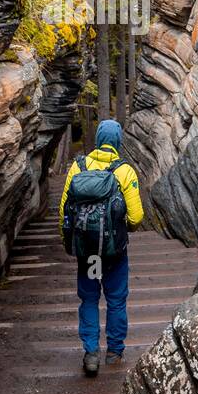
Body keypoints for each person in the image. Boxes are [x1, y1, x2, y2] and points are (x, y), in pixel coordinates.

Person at [59, 119, 144, 377]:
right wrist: (124, 227)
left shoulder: (79, 166)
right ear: (118, 141)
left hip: (88, 252)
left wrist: (71, 241)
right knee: (116, 300)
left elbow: (64, 210)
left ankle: (91, 352)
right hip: (114, 251)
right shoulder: (124, 171)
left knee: (89, 298)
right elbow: (137, 217)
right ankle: (115, 351)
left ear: (97, 139)